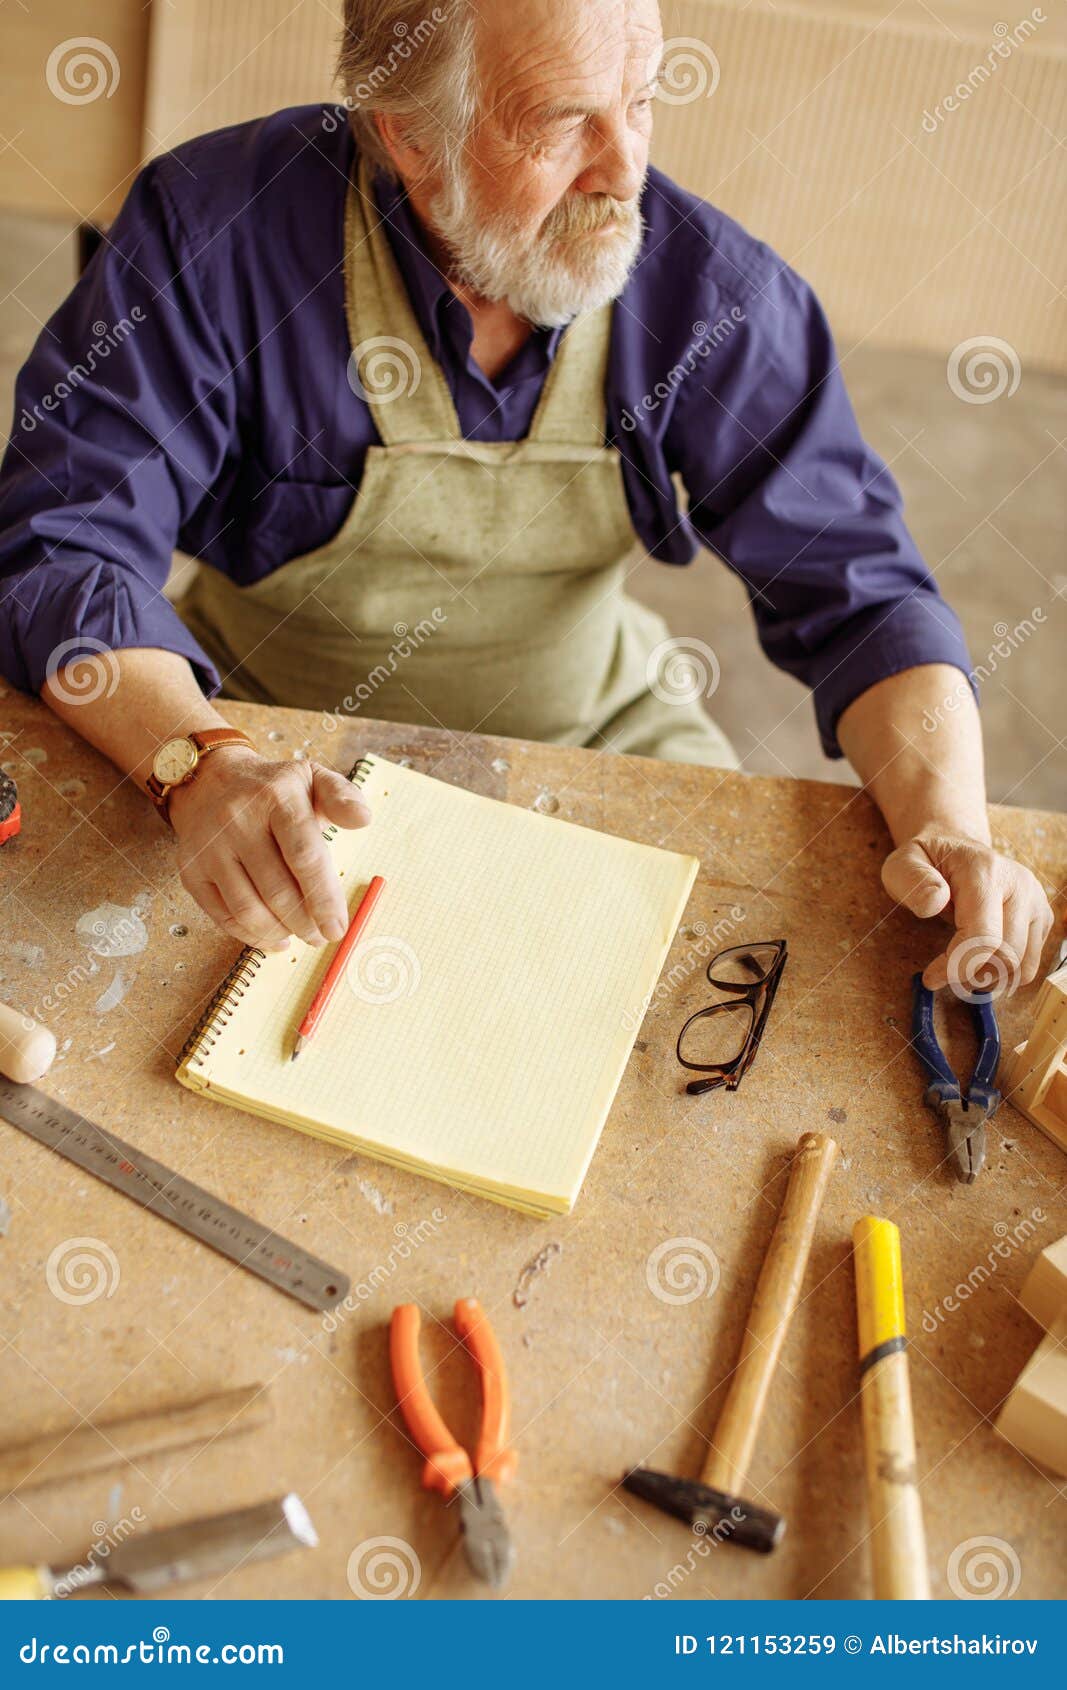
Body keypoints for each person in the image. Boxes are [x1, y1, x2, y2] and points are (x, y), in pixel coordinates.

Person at [0, 0, 1052, 988]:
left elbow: (864, 596)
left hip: (593, 730)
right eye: (564, 122)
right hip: (270, 735)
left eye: (640, 100)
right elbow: (64, 545)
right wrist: (195, 760)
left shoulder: (709, 294)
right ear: (409, 133)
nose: (625, 167)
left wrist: (948, 823)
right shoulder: (217, 232)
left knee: (703, 996)